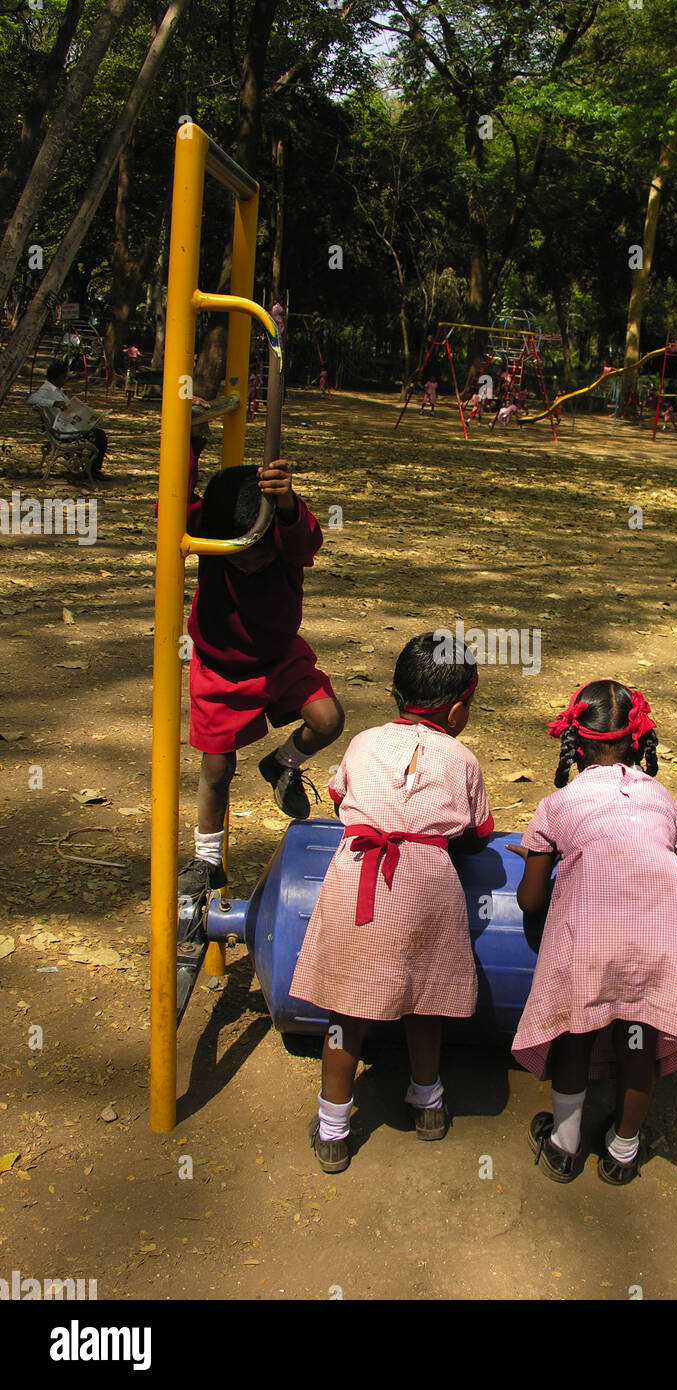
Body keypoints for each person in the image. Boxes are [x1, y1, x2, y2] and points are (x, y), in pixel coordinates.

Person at [290, 633, 493, 1174]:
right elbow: (476, 835)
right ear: (456, 710)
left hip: (358, 876)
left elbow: (339, 800)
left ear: (396, 694)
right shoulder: (463, 758)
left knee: (346, 1011)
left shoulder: (361, 743)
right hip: (428, 888)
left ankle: (334, 1128)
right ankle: (427, 1103)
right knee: (426, 1000)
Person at [508, 680, 677, 1186]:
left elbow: (531, 901)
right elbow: (671, 862)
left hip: (595, 936)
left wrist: (548, 864)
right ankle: (623, 1150)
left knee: (576, 1035)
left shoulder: (559, 804)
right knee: (637, 1038)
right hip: (667, 933)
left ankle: (564, 1143)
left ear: (573, 741)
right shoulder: (662, 799)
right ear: (640, 739)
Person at [176, 461, 344, 897]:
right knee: (217, 769)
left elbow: (305, 534)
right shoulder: (205, 526)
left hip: (278, 657)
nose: (250, 563)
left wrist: (286, 502)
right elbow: (172, 499)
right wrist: (192, 444)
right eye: (239, 554)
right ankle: (206, 858)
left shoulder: (289, 541)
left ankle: (282, 763)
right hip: (219, 669)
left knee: (327, 719)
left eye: (259, 551)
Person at [27, 360, 108, 478]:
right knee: (99, 436)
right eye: (63, 377)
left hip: (69, 425)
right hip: (61, 430)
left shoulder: (58, 390)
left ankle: (89, 468)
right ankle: (93, 471)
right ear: (56, 377)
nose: (65, 380)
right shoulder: (46, 390)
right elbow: (32, 399)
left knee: (96, 432)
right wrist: (53, 403)